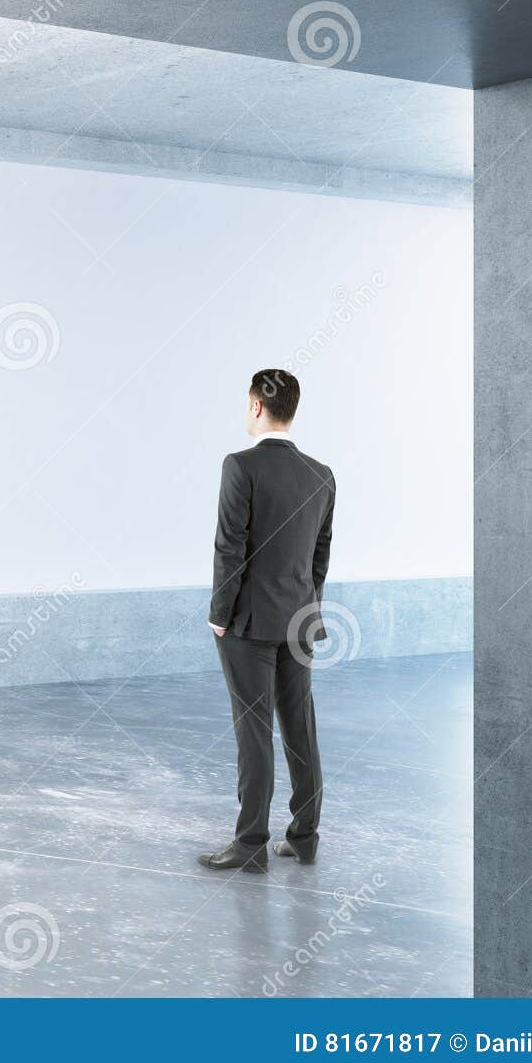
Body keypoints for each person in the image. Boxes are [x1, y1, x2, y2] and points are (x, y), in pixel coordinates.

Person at [197, 368, 335, 873]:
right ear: (291, 409)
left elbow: (229, 546)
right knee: (301, 727)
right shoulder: (322, 474)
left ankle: (251, 843)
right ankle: (304, 836)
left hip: (248, 623)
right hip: (300, 621)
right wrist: (308, 607)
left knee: (253, 729)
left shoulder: (240, 466)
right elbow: (320, 556)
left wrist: (219, 613)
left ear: (256, 405)